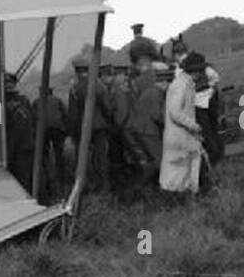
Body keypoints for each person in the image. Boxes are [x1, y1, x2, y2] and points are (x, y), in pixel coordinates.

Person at [160, 52, 207, 197]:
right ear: (195, 71)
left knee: (186, 170)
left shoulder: (186, 83)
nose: (201, 74)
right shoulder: (180, 85)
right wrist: (192, 125)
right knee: (176, 174)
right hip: (178, 135)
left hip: (184, 135)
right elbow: (175, 112)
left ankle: (186, 199)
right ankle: (174, 202)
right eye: (199, 70)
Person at [68, 59, 113, 193]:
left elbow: (73, 112)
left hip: (82, 126)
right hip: (99, 126)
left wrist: (73, 131)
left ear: (76, 71)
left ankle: (83, 185)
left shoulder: (75, 88)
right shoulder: (99, 85)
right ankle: (104, 184)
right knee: (101, 156)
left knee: (82, 157)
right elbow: (107, 107)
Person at [122, 54, 165, 189]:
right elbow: (156, 115)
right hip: (147, 130)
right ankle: (141, 187)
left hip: (138, 127)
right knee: (159, 160)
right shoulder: (154, 92)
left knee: (151, 159)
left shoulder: (141, 85)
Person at [31, 84, 70, 201]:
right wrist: (66, 129)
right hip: (58, 129)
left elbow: (33, 117)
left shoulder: (36, 102)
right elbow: (65, 114)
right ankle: (61, 175)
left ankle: (48, 175)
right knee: (59, 153)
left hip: (43, 130)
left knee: (44, 154)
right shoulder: (58, 100)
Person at [3, 72, 37, 194]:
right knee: (24, 178)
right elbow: (33, 122)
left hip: (8, 149)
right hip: (25, 146)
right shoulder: (24, 101)